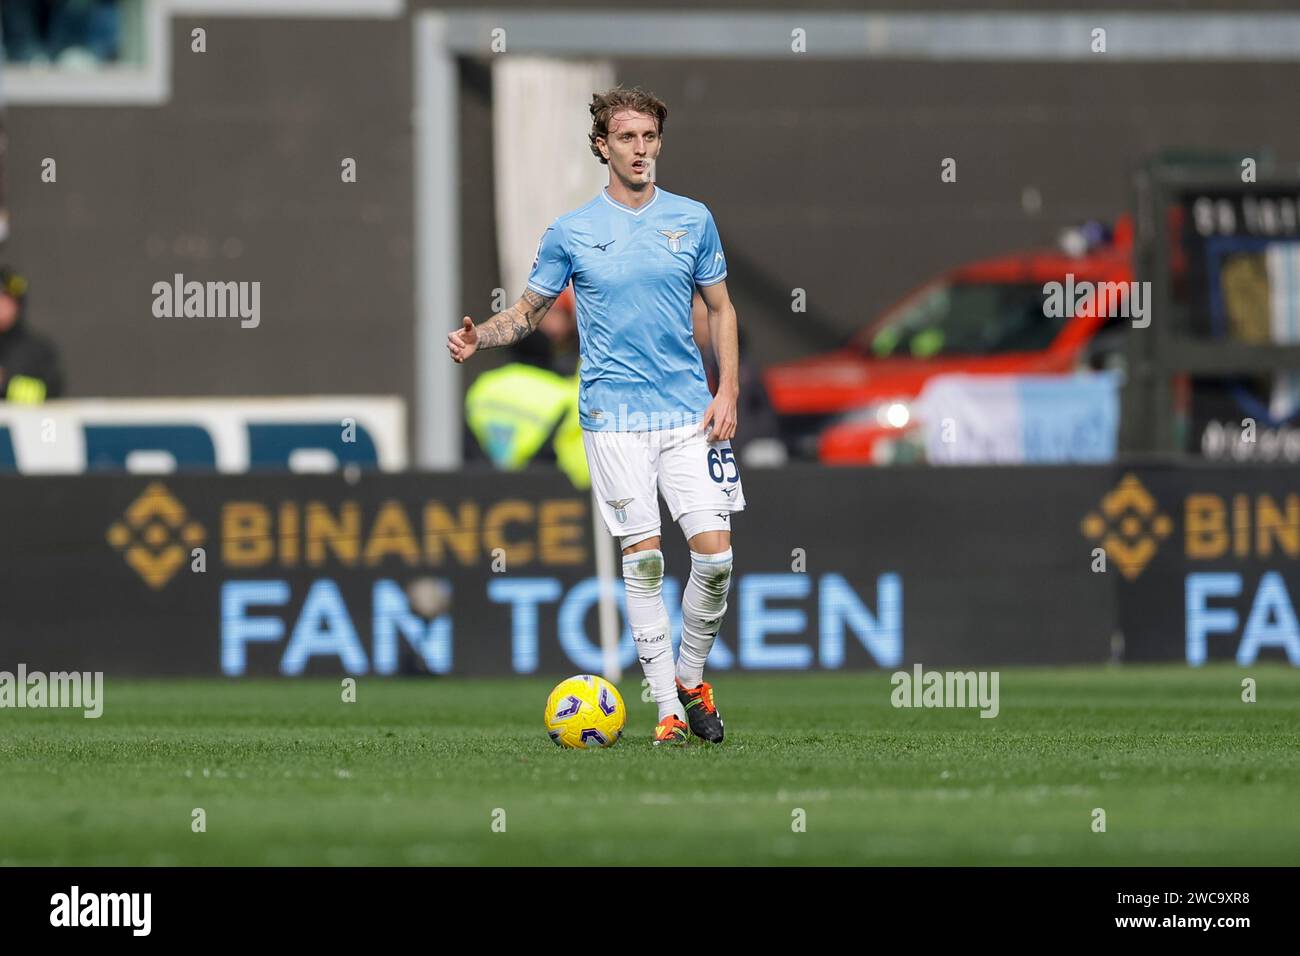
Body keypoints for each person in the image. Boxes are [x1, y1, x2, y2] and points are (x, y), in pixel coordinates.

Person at [448, 86, 743, 746]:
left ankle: (691, 678)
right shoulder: (572, 231)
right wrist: (480, 338)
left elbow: (722, 309)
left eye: (649, 137)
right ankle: (667, 709)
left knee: (716, 562)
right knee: (643, 562)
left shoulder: (692, 219)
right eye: (627, 138)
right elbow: (527, 310)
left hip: (687, 415)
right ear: (602, 146)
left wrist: (728, 393)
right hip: (611, 417)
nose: (640, 149)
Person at [464, 287, 589, 489]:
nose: (552, 325)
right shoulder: (565, 393)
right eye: (546, 313)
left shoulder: (484, 386)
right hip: (550, 494)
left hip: (486, 494)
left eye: (558, 314)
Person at [0, 267, 64, 403]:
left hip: (25, 423)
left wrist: (6, 383)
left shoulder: (38, 350)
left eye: (5, 299)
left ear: (17, 305)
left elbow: (52, 391)